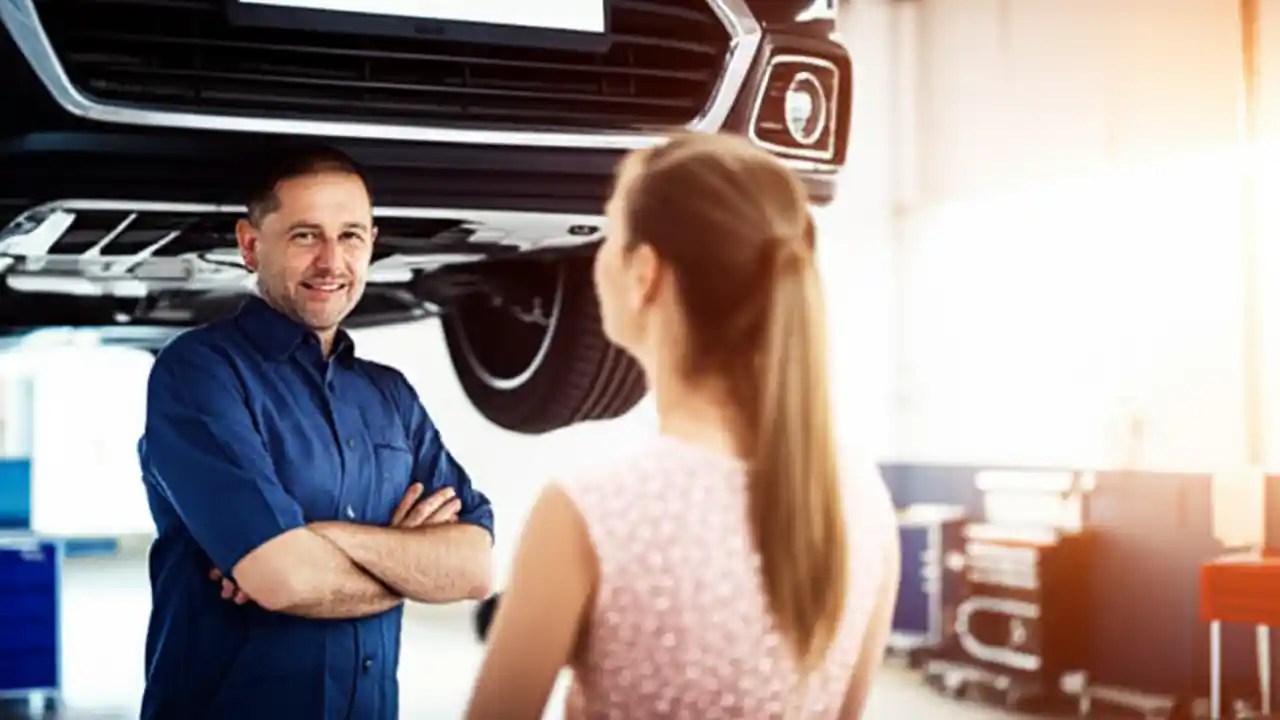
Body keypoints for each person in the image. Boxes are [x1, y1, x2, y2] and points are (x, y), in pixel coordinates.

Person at [464, 132, 901, 719]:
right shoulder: (861, 498)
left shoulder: (592, 512)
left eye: (610, 234)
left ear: (644, 273)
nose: (598, 258)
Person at [136, 142, 495, 720]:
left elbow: (475, 569)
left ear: (371, 242)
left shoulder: (390, 395)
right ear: (251, 245)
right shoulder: (201, 372)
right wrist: (412, 568)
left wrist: (322, 539)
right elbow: (282, 580)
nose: (332, 262)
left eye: (350, 236)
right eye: (306, 236)